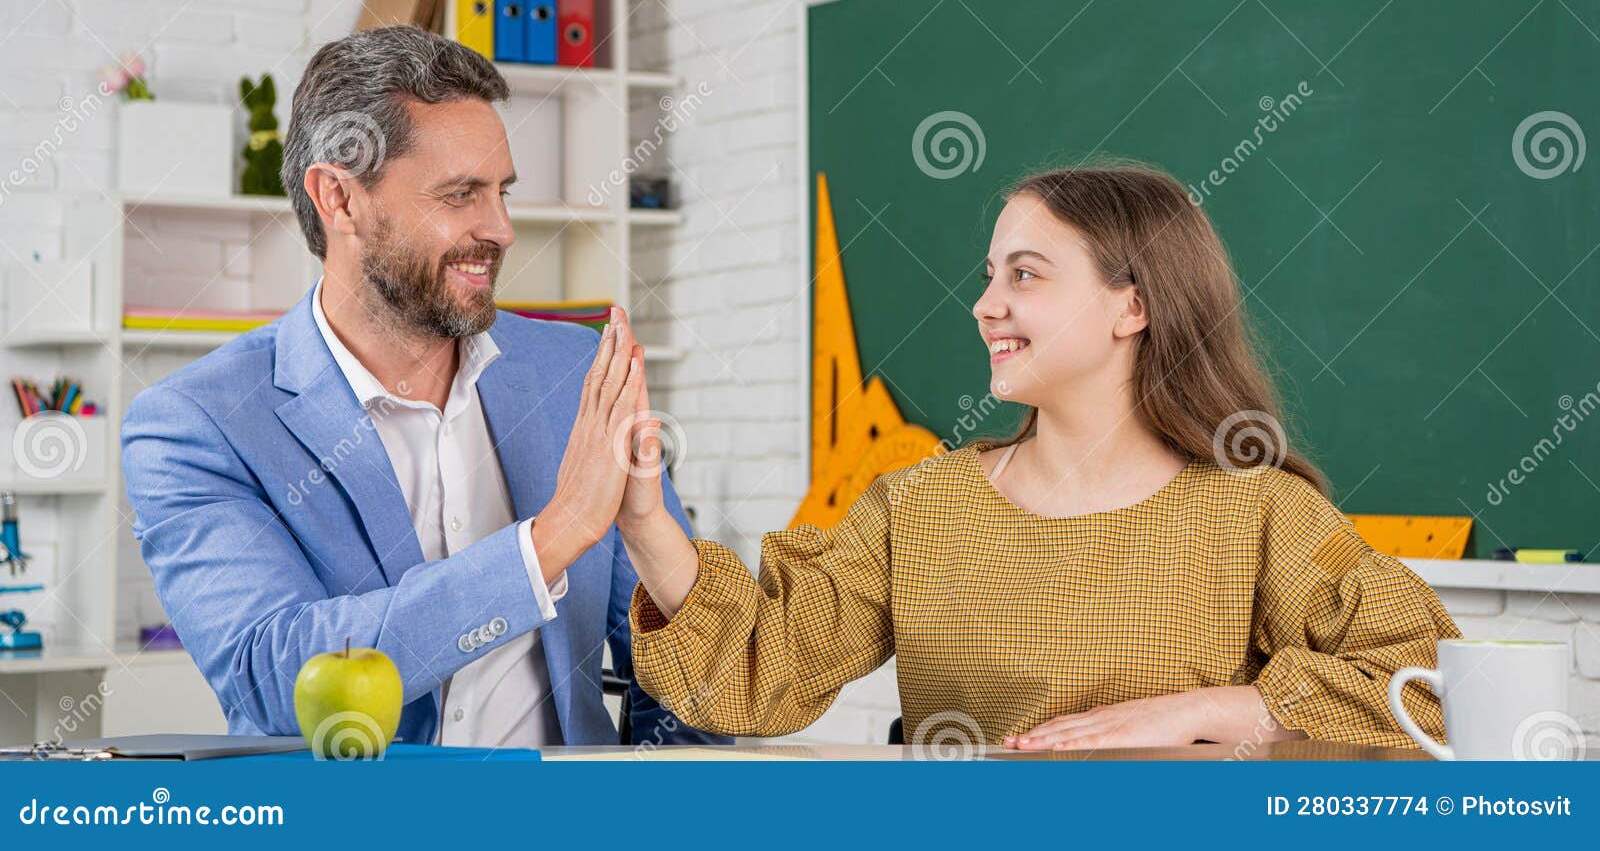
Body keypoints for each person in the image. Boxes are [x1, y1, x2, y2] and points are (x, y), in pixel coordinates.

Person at [606, 162, 1459, 751]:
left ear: (1132, 306)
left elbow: (1425, 685)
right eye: (988, 275)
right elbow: (759, 673)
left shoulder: (1255, 509)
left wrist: (1202, 712)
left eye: (1025, 275)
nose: (984, 305)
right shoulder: (917, 507)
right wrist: (644, 520)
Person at [122, 25, 727, 751]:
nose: (501, 228)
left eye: (500, 191)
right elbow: (276, 674)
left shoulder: (573, 374)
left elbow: (686, 668)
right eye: (460, 194)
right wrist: (547, 542)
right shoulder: (199, 424)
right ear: (338, 199)